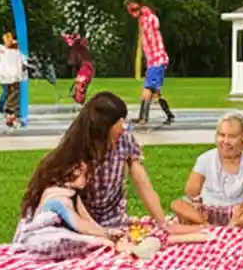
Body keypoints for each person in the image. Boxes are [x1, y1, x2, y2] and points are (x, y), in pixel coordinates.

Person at [16, 91, 176, 241]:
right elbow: (77, 210)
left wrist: (162, 222)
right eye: (120, 122)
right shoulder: (77, 151)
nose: (123, 127)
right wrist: (100, 233)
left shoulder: (124, 140)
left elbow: (142, 182)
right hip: (78, 224)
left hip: (112, 221)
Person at [171, 113, 243, 227]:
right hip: (207, 209)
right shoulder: (205, 158)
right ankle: (206, 225)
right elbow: (191, 191)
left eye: (232, 136)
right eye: (222, 135)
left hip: (237, 211)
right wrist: (197, 204)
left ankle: (233, 224)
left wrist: (240, 211)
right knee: (177, 204)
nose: (225, 141)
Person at [125, 0, 175, 126]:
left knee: (148, 88)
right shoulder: (143, 19)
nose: (132, 13)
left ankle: (143, 118)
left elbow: (152, 22)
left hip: (156, 60)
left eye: (134, 9)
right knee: (156, 90)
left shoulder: (149, 19)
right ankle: (169, 114)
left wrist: (138, 1)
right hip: (154, 61)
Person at [0, 26, 26, 131]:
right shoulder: (4, 50)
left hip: (12, 79)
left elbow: (24, 64)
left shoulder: (17, 52)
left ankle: (12, 116)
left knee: (12, 99)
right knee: (9, 99)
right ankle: (10, 115)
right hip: (8, 79)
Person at [64, 32, 95, 107]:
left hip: (86, 68)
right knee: (79, 86)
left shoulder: (77, 47)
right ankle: (80, 101)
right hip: (86, 69)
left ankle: (80, 100)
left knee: (79, 84)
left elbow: (71, 62)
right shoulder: (78, 48)